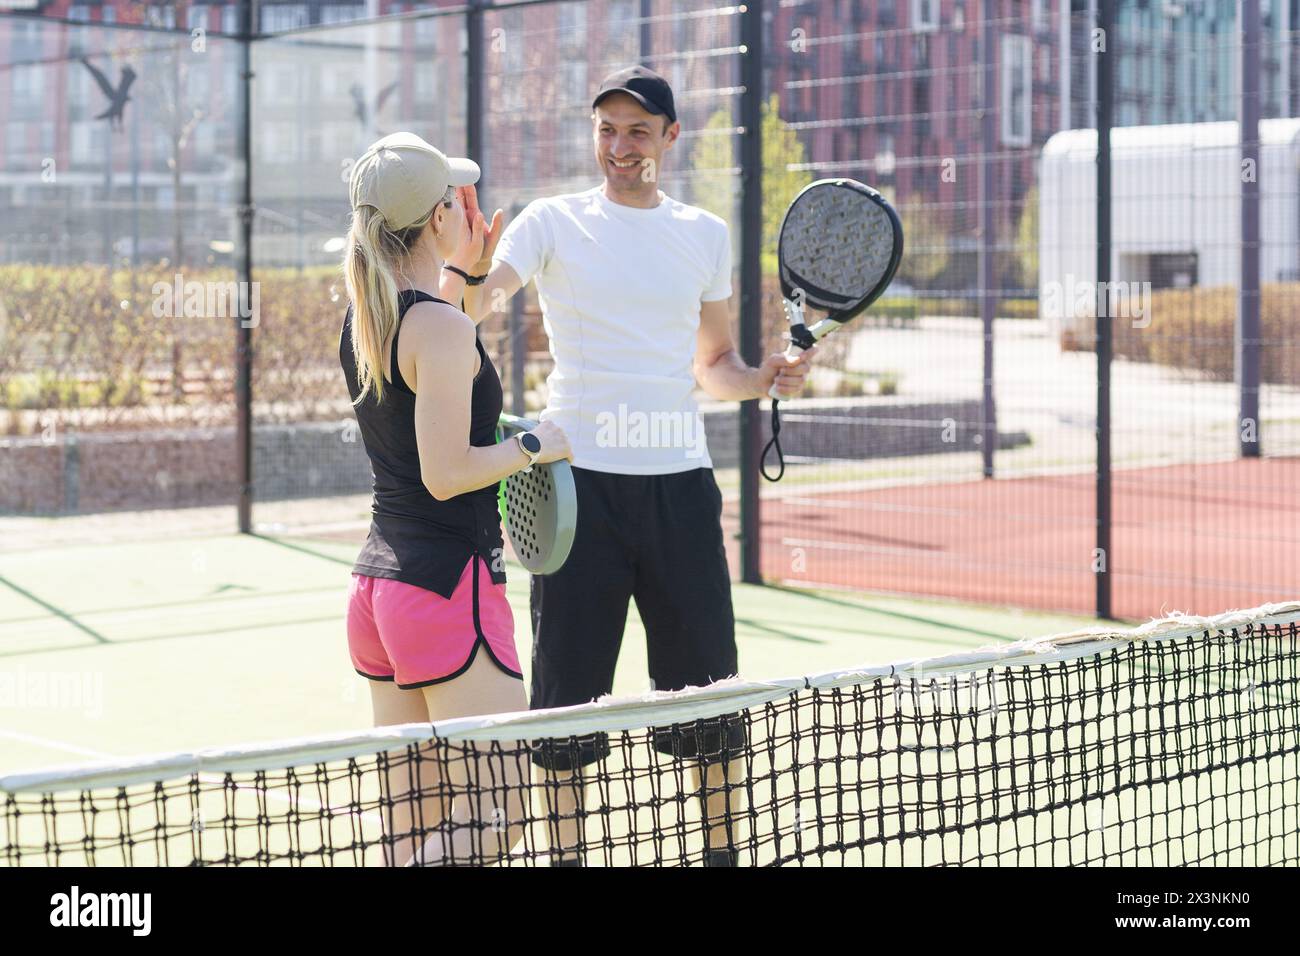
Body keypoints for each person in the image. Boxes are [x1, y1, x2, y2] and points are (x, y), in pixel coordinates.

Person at [456, 67, 815, 865]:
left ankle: (721, 854)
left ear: (669, 138)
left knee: (710, 697)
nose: (620, 147)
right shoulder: (550, 222)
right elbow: (481, 304)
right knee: (565, 702)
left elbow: (714, 361)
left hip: (681, 494)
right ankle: (567, 858)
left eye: (638, 131)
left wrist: (758, 380)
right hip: (575, 492)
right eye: (607, 130)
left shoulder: (704, 234)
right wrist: (470, 267)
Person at [338, 131, 571, 866]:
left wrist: (464, 276)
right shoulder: (434, 326)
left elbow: (441, 350)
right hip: (448, 591)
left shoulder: (369, 314)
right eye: (454, 200)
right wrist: (538, 445)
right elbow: (446, 472)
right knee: (497, 817)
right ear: (438, 217)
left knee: (411, 826)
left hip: (379, 592)